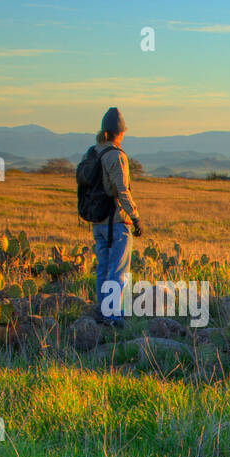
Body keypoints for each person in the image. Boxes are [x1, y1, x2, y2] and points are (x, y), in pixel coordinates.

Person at [92, 107, 142, 325]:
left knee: (102, 268)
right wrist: (136, 217)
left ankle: (103, 312)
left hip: (97, 221)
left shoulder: (93, 152)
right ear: (120, 132)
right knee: (118, 271)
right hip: (116, 221)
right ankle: (113, 316)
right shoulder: (116, 155)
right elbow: (122, 190)